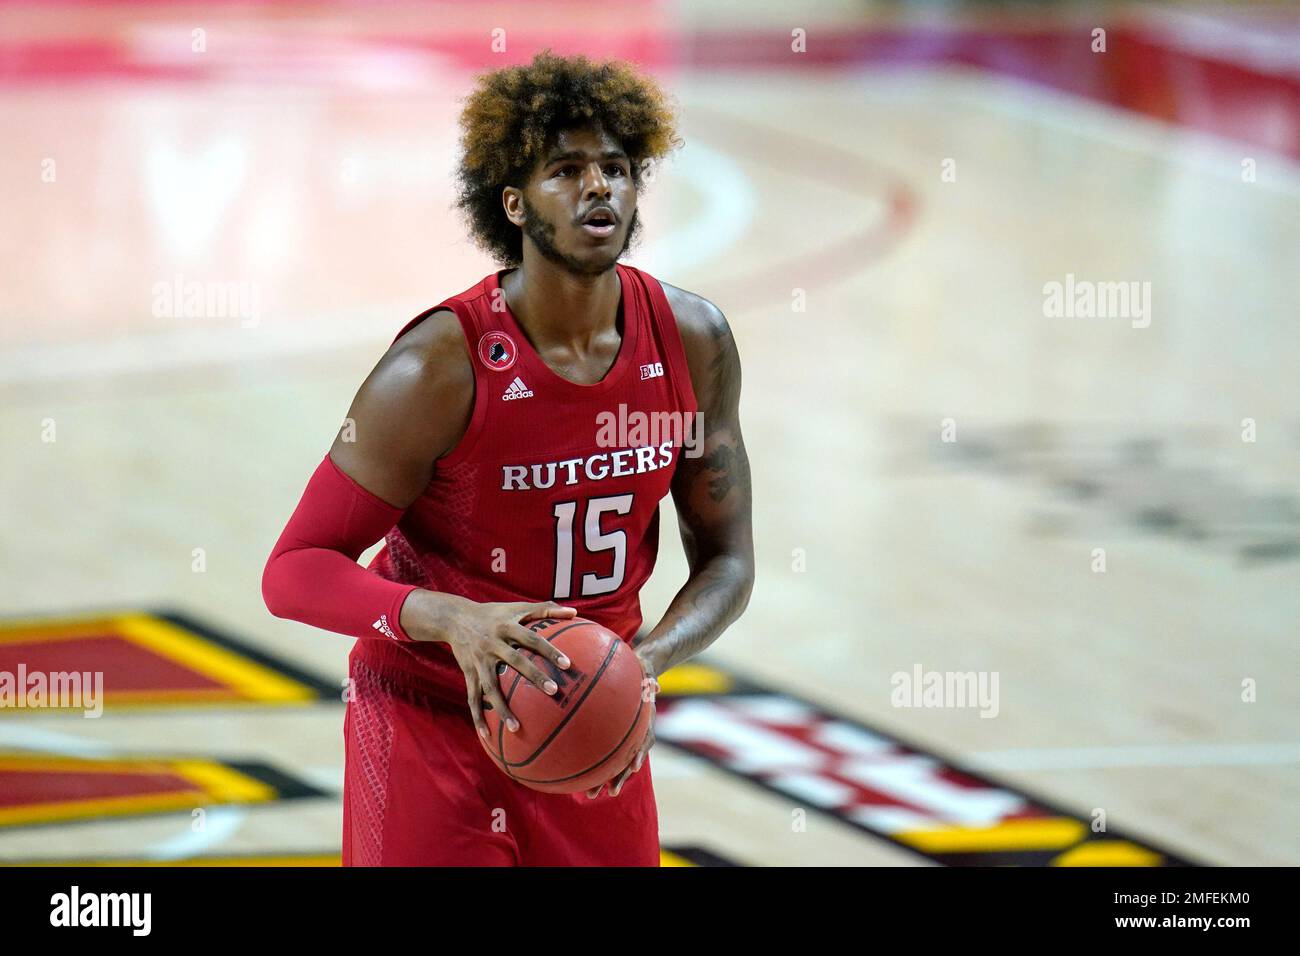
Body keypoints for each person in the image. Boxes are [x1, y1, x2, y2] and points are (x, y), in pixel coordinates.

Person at [262, 50, 754, 866]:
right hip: (429, 717)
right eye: (567, 170)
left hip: (590, 719)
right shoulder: (437, 368)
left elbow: (729, 562)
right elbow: (294, 570)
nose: (600, 186)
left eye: (616, 167)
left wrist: (642, 664)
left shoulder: (695, 343)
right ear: (515, 205)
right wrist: (453, 619)